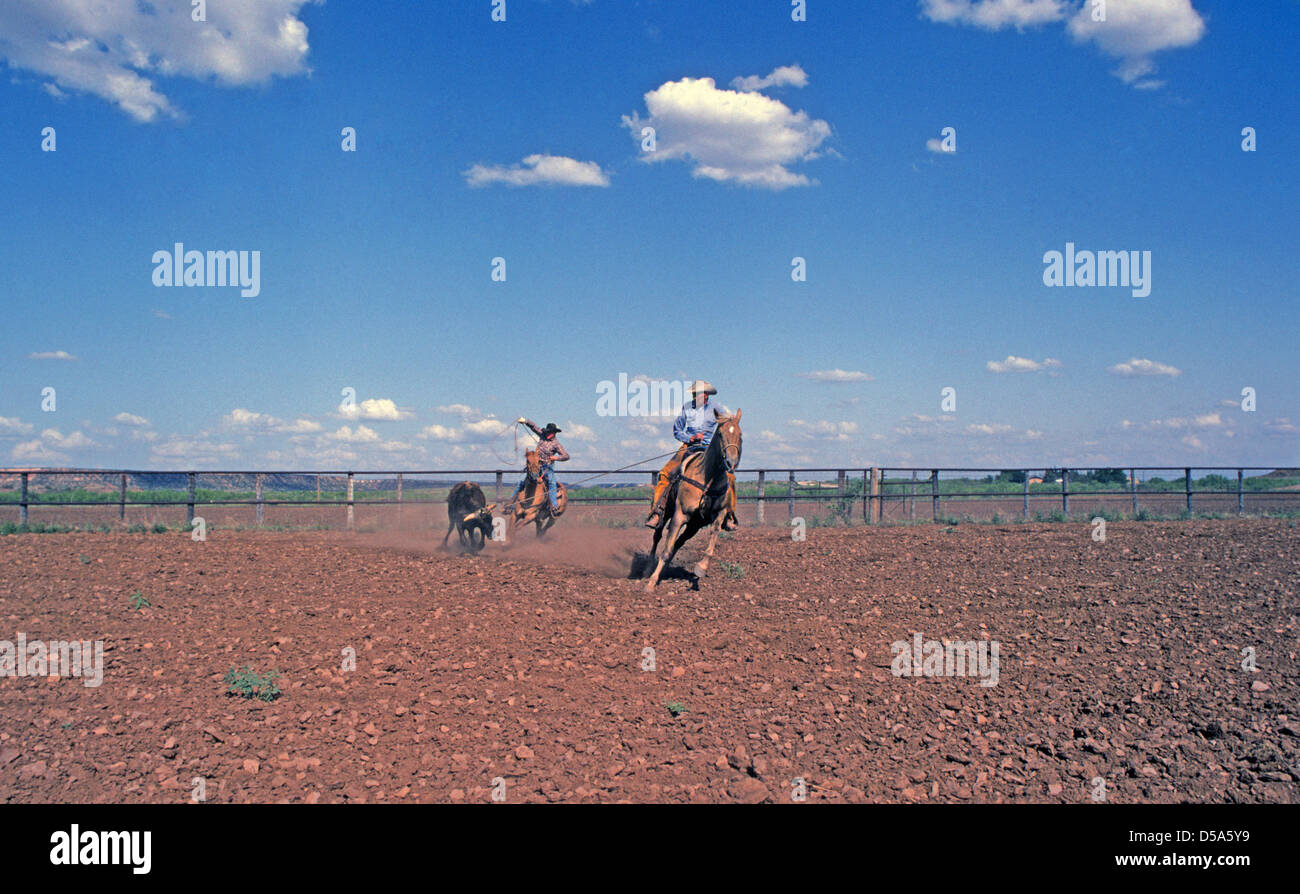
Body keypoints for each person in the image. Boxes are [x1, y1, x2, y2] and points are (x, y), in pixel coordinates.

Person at [646, 380, 738, 530]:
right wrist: (689, 438)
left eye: (703, 394)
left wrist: (731, 419)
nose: (701, 397)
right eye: (698, 394)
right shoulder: (687, 408)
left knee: (730, 477)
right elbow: (677, 430)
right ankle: (657, 512)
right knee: (665, 474)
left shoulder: (716, 408)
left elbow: (727, 421)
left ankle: (729, 515)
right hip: (688, 446)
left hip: (710, 450)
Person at [511, 418, 569, 514]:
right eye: (548, 432)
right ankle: (511, 504)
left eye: (550, 432)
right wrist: (525, 421)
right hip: (536, 466)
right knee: (522, 483)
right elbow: (534, 427)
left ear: (553, 433)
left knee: (552, 483)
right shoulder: (542, 435)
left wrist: (556, 458)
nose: (548, 433)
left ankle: (553, 505)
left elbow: (566, 456)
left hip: (547, 467)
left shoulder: (556, 444)